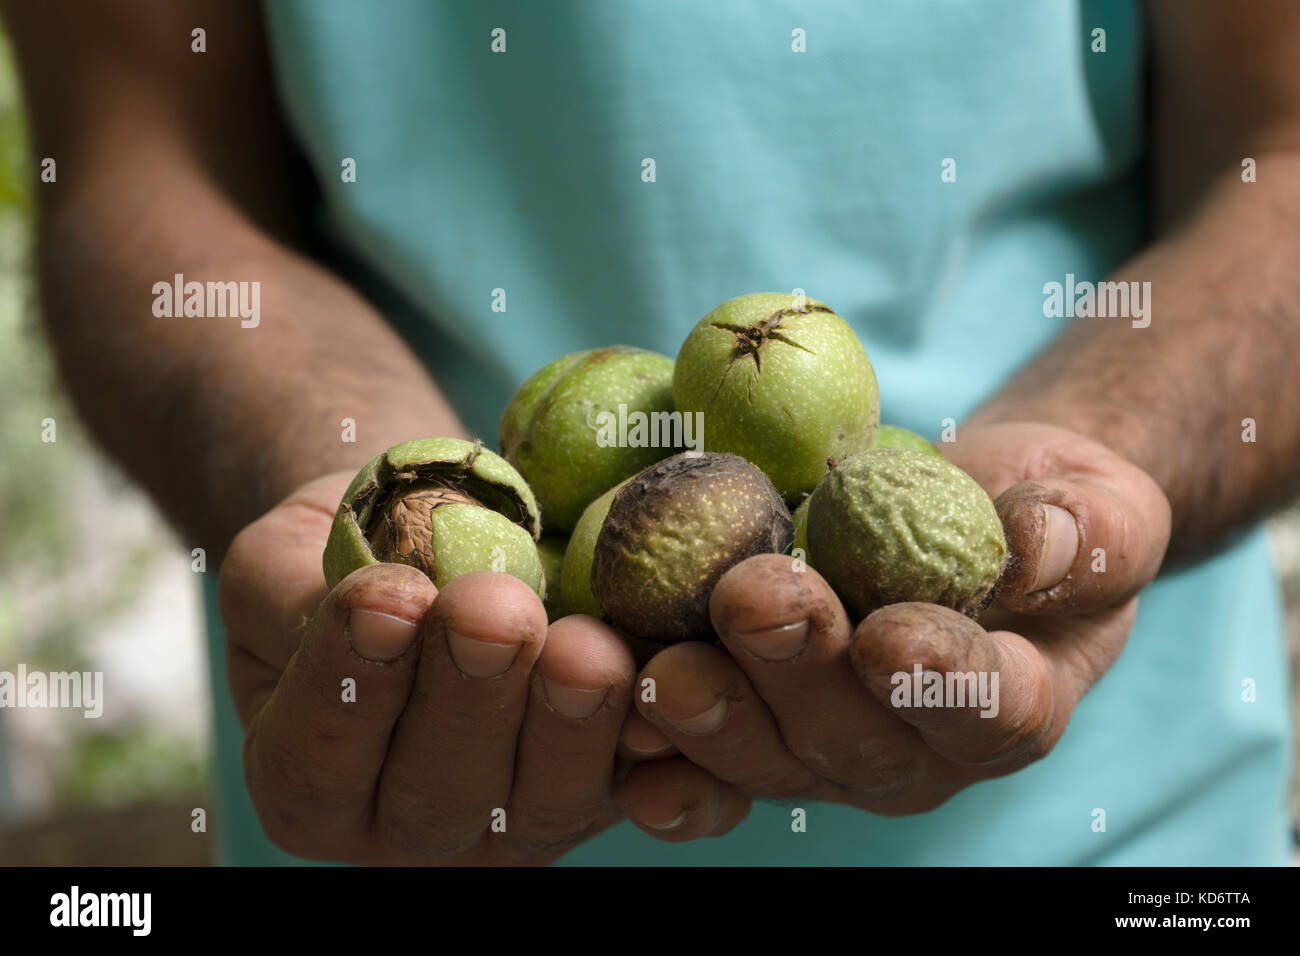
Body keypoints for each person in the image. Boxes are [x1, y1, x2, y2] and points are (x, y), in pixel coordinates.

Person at [3, 0, 1295, 866]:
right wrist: (316, 457)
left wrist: (1096, 450)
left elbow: (1281, 145)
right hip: (390, 796)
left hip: (1129, 835)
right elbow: (133, 161)